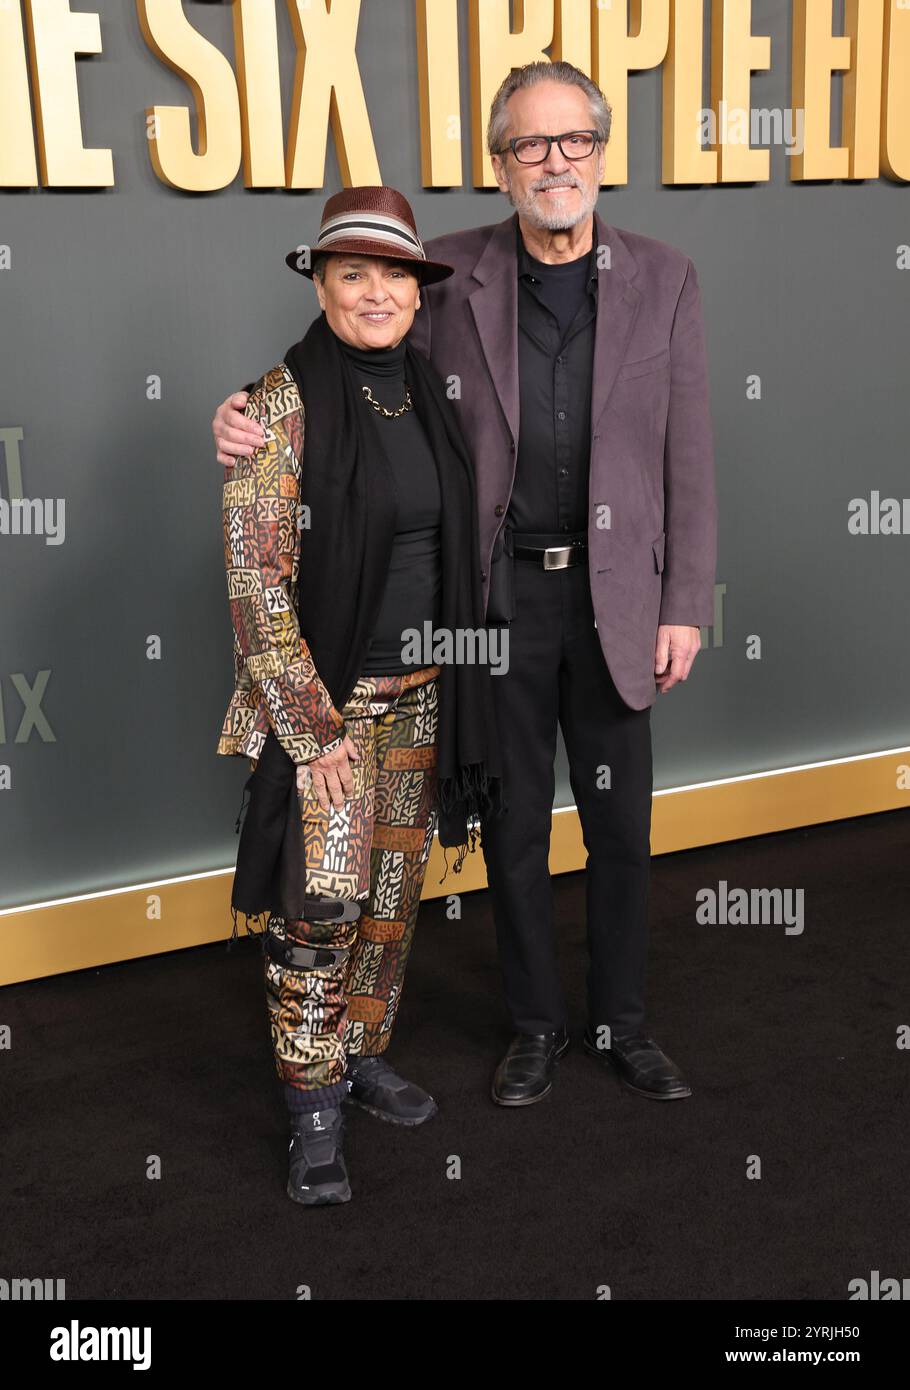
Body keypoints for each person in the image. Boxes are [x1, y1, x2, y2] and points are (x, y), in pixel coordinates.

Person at [214, 61, 717, 1112]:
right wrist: (245, 415)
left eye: (572, 140)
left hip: (620, 601)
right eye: (529, 145)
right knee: (514, 826)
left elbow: (689, 454)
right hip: (492, 609)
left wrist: (684, 602)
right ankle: (535, 1025)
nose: (554, 162)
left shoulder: (666, 277)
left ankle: (624, 1023)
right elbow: (351, 359)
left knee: (623, 827)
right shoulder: (440, 272)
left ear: (600, 150)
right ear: (499, 165)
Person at [216, 185, 500, 1205]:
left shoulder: (428, 389)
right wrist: (311, 730)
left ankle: (360, 1050)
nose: (375, 292)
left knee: (390, 901)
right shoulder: (271, 410)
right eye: (352, 272)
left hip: (429, 691)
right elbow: (257, 587)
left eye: (393, 275)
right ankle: (313, 1106)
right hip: (331, 713)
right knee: (320, 908)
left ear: (418, 295)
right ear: (321, 284)